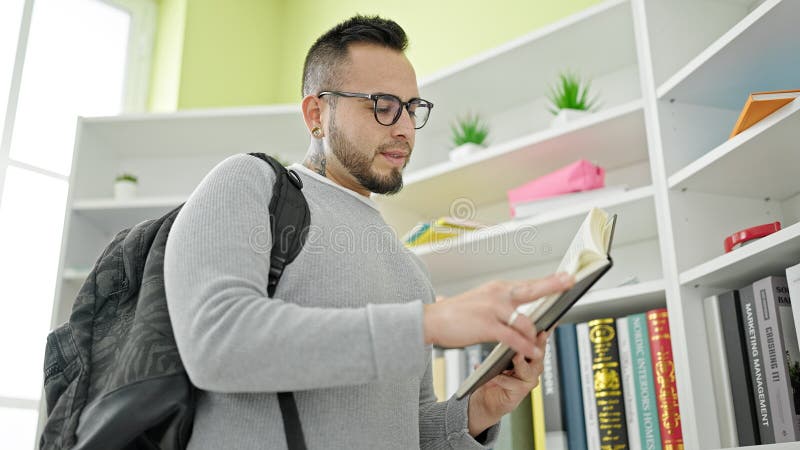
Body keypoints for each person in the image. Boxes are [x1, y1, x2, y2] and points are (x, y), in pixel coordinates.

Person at [164, 15, 574, 449]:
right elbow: (217, 342)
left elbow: (407, 429)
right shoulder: (249, 181)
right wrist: (426, 323)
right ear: (316, 113)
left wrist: (479, 411)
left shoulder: (411, 270)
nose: (403, 127)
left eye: (412, 108)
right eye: (382, 105)